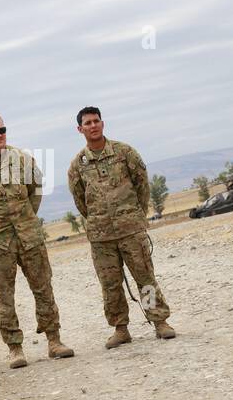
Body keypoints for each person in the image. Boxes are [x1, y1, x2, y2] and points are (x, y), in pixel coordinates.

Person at [0, 112, 74, 368]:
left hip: (28, 236)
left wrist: (26, 219)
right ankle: (15, 349)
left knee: (43, 288)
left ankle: (54, 341)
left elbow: (35, 193)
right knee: (4, 296)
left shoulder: (23, 160)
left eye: (1, 130)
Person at [67, 107, 175, 347]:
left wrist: (135, 214)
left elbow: (142, 185)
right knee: (110, 284)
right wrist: (99, 218)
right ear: (80, 129)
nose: (93, 126)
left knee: (144, 277)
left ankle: (159, 322)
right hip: (101, 236)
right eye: (87, 123)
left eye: (96, 121)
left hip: (130, 230)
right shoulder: (78, 165)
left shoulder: (125, 153)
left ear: (102, 124)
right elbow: (80, 200)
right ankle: (120, 328)